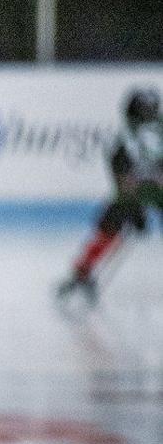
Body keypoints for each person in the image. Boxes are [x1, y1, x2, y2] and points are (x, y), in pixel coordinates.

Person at [57, 88, 163, 306]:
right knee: (110, 226)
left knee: (109, 228)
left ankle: (82, 271)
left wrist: (134, 201)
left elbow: (119, 168)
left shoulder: (126, 136)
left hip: (132, 192)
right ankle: (83, 271)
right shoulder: (141, 134)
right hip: (141, 191)